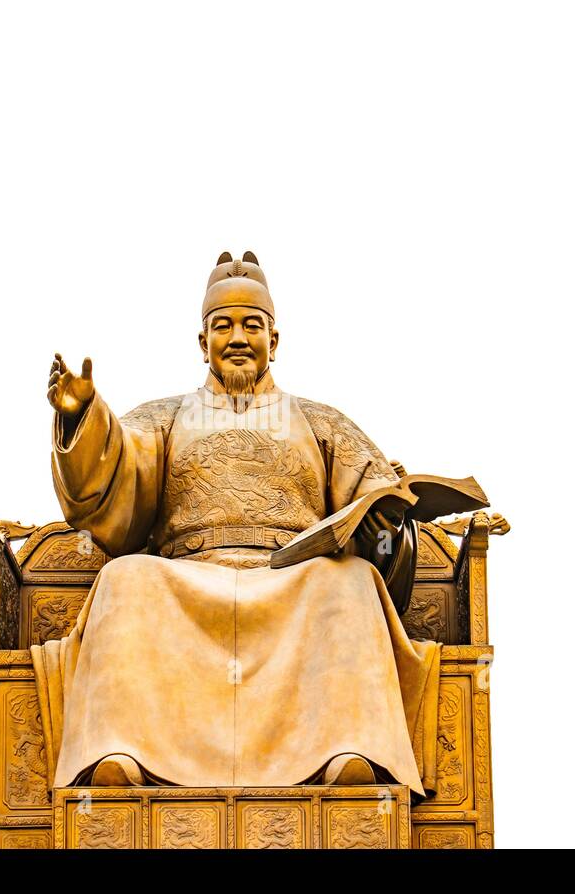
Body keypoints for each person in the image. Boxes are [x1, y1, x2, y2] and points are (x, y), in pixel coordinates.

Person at [32, 251, 441, 795]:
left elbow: (374, 500)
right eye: (223, 326)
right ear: (203, 342)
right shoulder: (163, 417)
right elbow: (114, 477)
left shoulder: (323, 422)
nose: (239, 338)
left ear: (275, 339)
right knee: (124, 578)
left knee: (351, 581)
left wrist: (384, 525)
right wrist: (82, 418)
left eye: (253, 325)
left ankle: (349, 750)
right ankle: (120, 751)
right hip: (187, 578)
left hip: (295, 578)